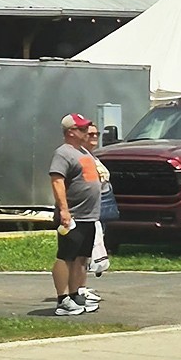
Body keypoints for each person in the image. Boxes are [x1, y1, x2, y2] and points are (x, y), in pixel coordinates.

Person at [49, 113, 102, 316]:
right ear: (71, 132)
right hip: (73, 215)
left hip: (89, 216)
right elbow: (57, 181)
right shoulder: (63, 154)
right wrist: (64, 210)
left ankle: (75, 294)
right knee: (66, 256)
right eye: (82, 129)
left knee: (82, 257)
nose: (86, 132)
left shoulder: (83, 152)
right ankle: (63, 299)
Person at [84, 122, 111, 289]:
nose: (94, 137)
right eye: (90, 134)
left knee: (94, 246)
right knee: (84, 252)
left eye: (97, 134)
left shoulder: (93, 156)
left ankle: (82, 287)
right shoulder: (81, 157)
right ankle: (78, 289)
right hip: (86, 210)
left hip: (100, 206)